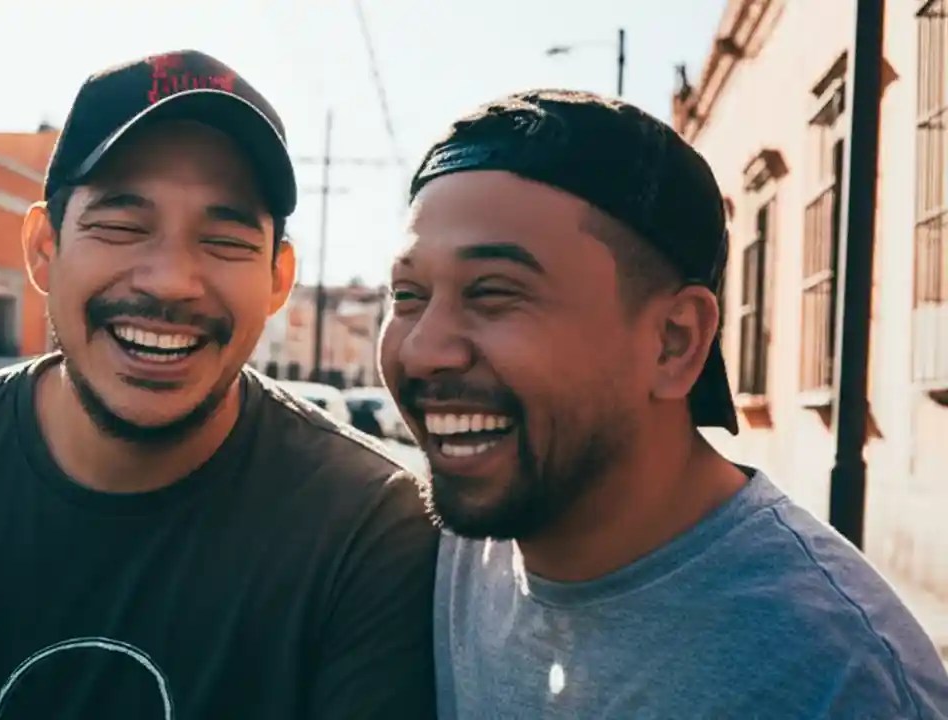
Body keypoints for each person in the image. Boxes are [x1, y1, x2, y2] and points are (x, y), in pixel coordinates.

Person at [0, 50, 436, 719]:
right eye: (121, 226)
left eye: (226, 240)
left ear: (276, 281)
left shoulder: (365, 528)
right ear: (43, 249)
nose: (171, 279)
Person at [380, 89, 948, 718]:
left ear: (673, 342)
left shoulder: (831, 679)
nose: (425, 349)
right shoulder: (466, 539)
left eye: (494, 292)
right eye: (407, 295)